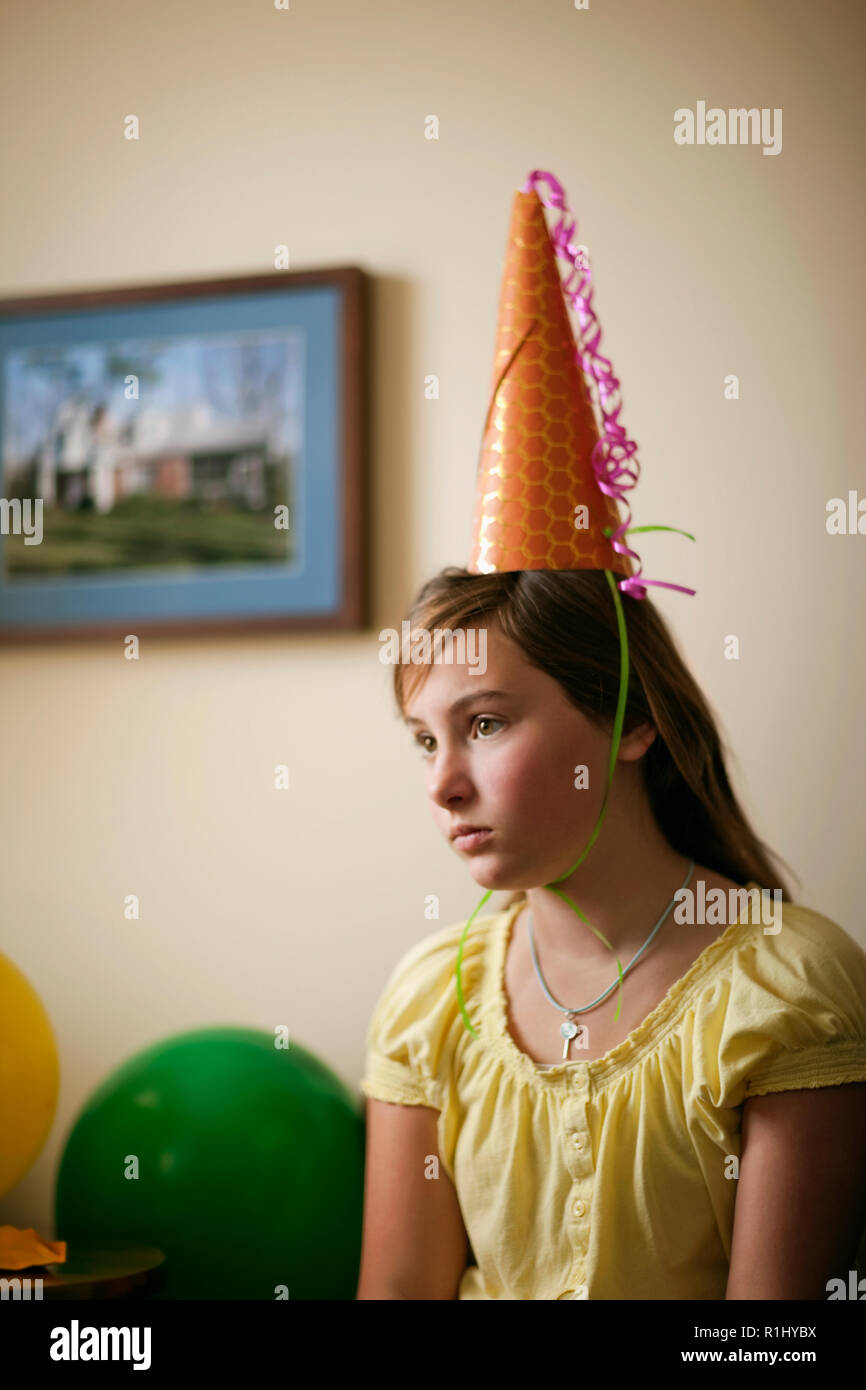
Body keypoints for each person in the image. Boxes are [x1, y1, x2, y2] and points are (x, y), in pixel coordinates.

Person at [356, 172, 866, 1300]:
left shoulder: (786, 991)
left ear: (631, 719)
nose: (443, 785)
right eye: (424, 741)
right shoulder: (430, 1001)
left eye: (485, 724)